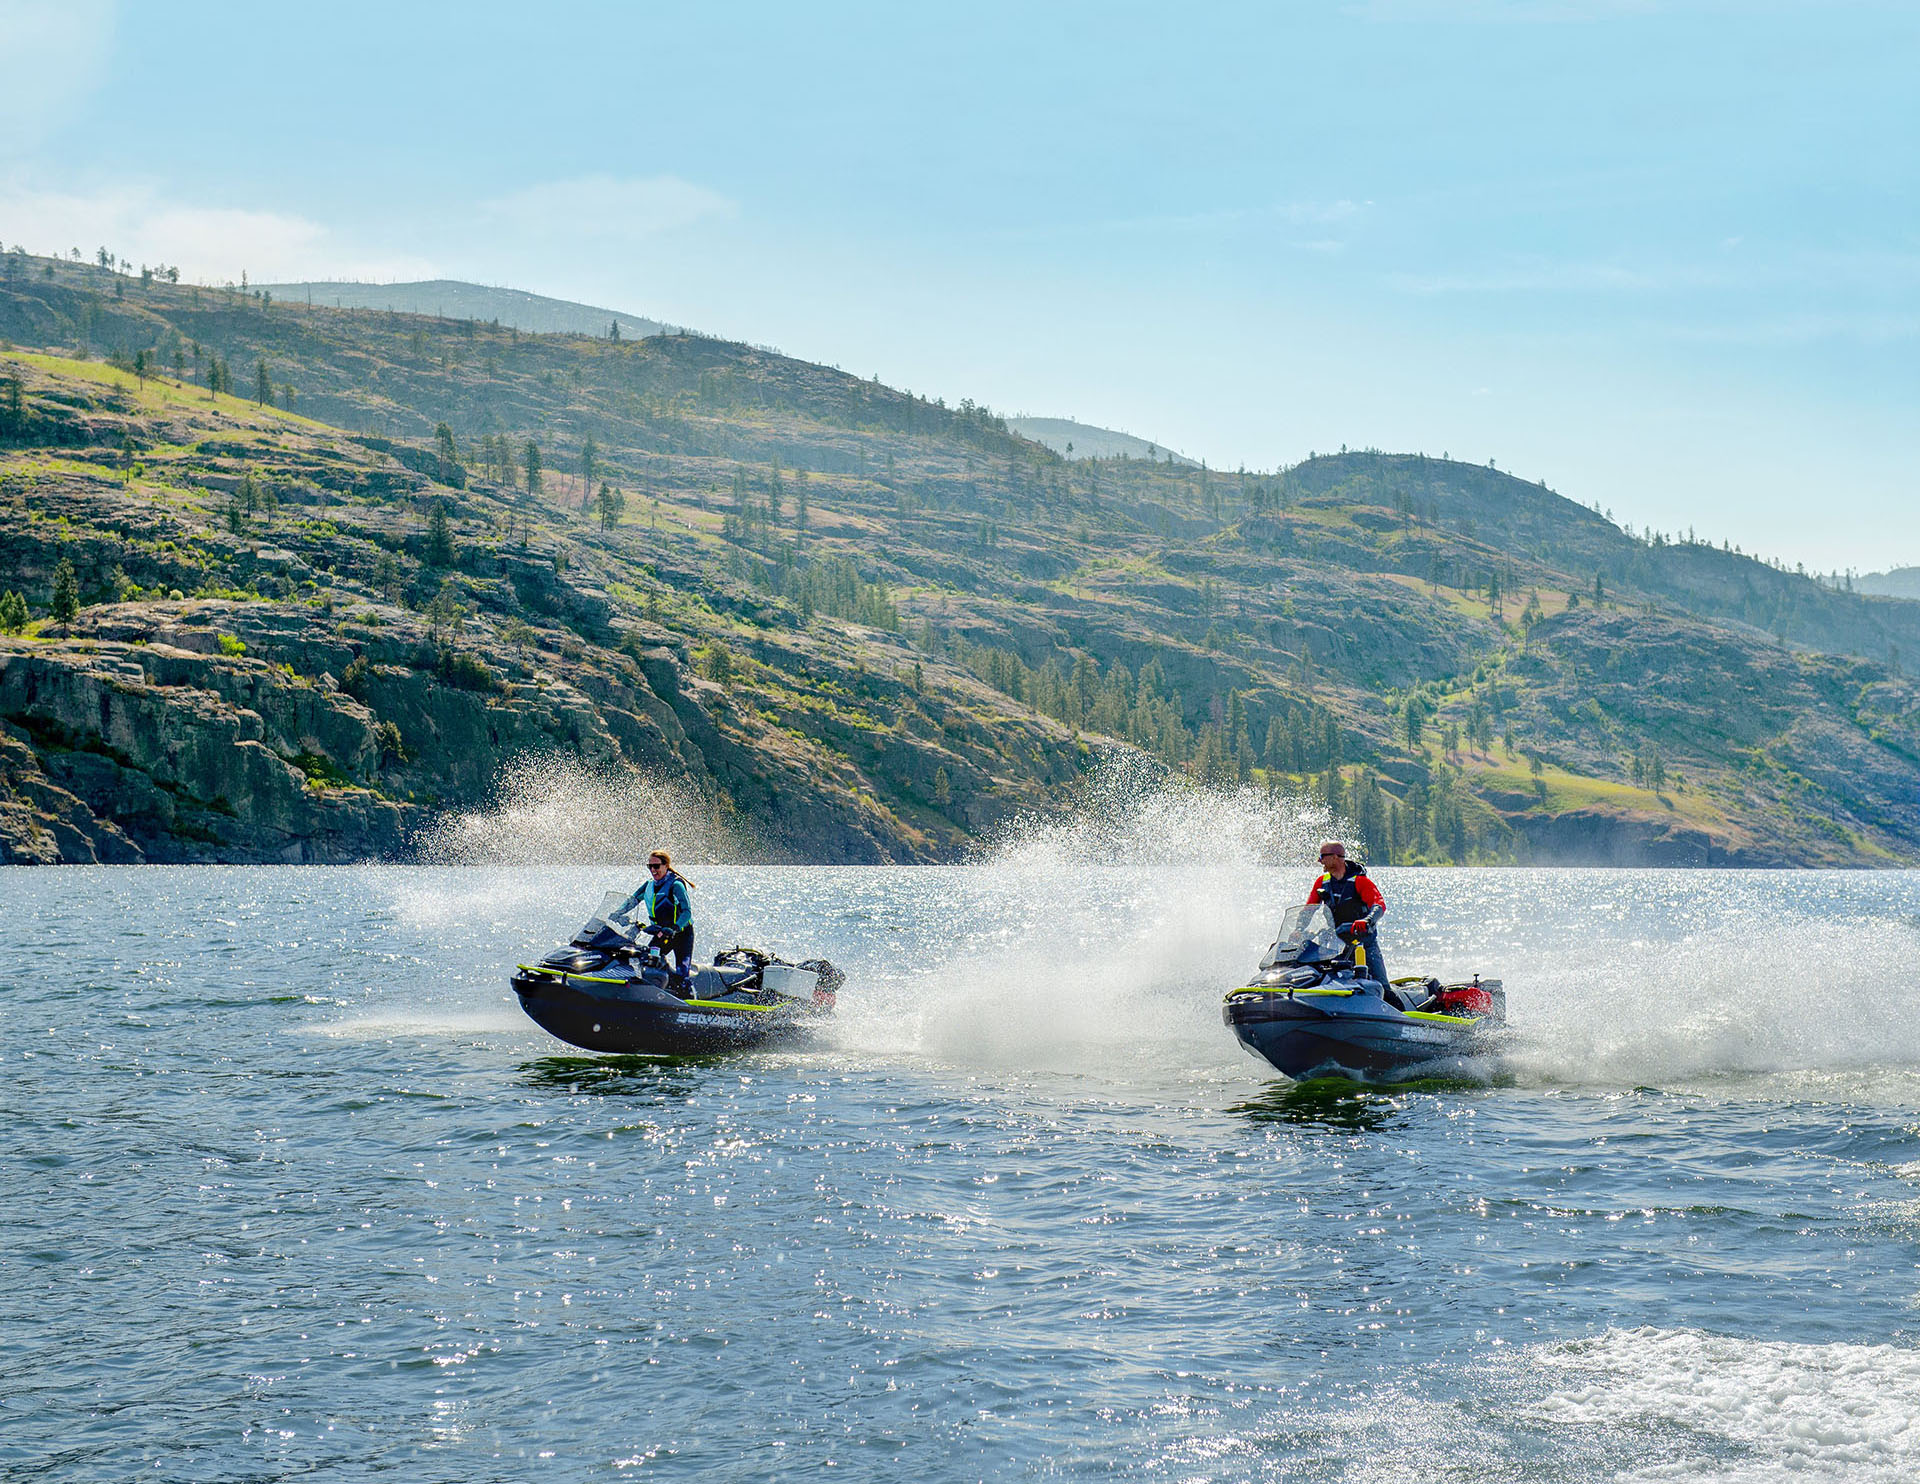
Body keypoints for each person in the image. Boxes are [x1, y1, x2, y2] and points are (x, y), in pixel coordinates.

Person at [1306, 840, 1387, 985]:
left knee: (1383, 987)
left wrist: (1367, 920)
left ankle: (1394, 1002)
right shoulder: (1321, 882)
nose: (1320, 860)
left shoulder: (1360, 882)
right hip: (1335, 946)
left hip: (1363, 944)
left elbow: (1379, 904)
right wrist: (1299, 930)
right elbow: (1308, 910)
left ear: (1335, 857)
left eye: (1322, 856)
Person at [618, 848, 696, 987]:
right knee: (649, 961)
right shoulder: (649, 885)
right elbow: (632, 901)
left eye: (656, 866)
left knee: (682, 971)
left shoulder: (676, 885)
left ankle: (687, 993)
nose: (653, 870)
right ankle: (660, 988)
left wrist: (675, 928)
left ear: (666, 866)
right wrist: (617, 913)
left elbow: (687, 912)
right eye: (650, 866)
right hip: (662, 934)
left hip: (681, 933)